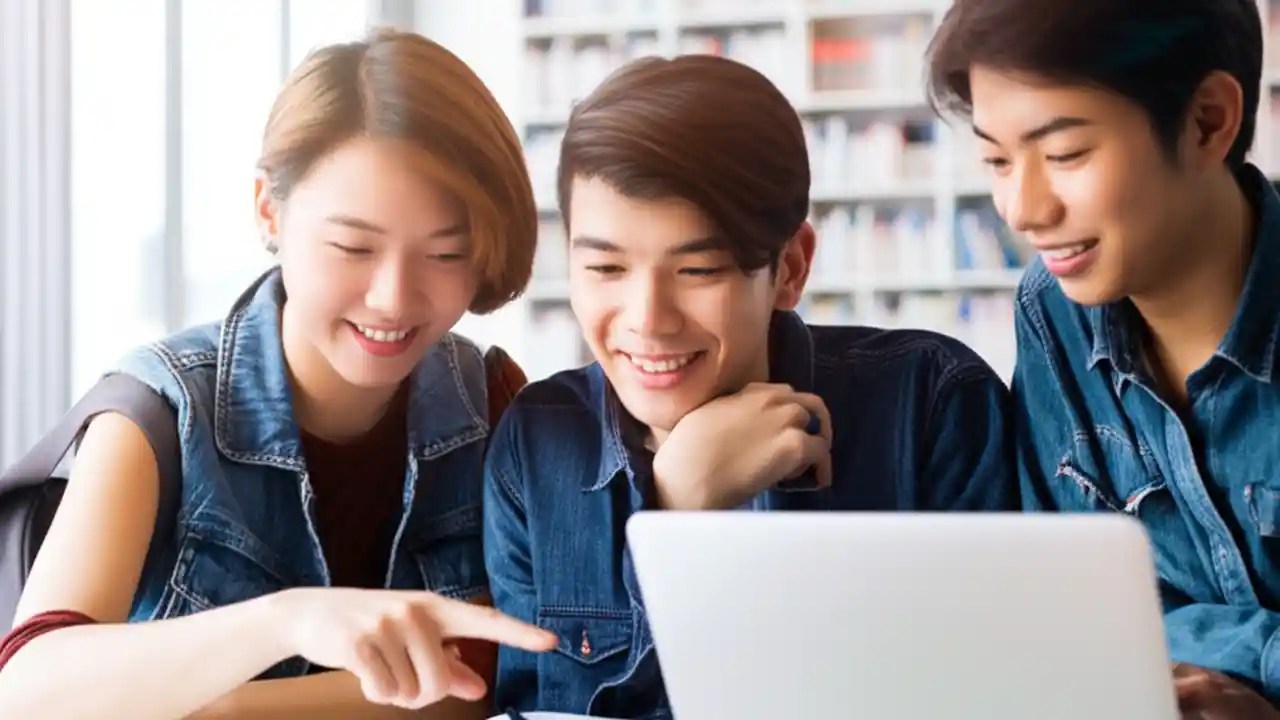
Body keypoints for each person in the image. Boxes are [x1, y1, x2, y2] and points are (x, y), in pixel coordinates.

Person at [0, 29, 557, 720]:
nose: (394, 297)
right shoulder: (160, 413)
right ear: (269, 208)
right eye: (353, 246)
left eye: (445, 255)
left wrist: (226, 707)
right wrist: (289, 620)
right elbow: (27, 690)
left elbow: (499, 671)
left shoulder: (496, 406)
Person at [483, 54, 1018, 718]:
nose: (648, 319)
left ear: (790, 268)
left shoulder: (933, 402)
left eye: (698, 269)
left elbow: (998, 690)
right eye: (606, 267)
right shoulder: (537, 443)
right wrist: (676, 512)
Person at [926, 1, 1280, 718]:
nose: (1022, 210)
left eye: (1064, 155)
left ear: (1209, 120)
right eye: (996, 159)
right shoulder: (1051, 312)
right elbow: (1064, 598)